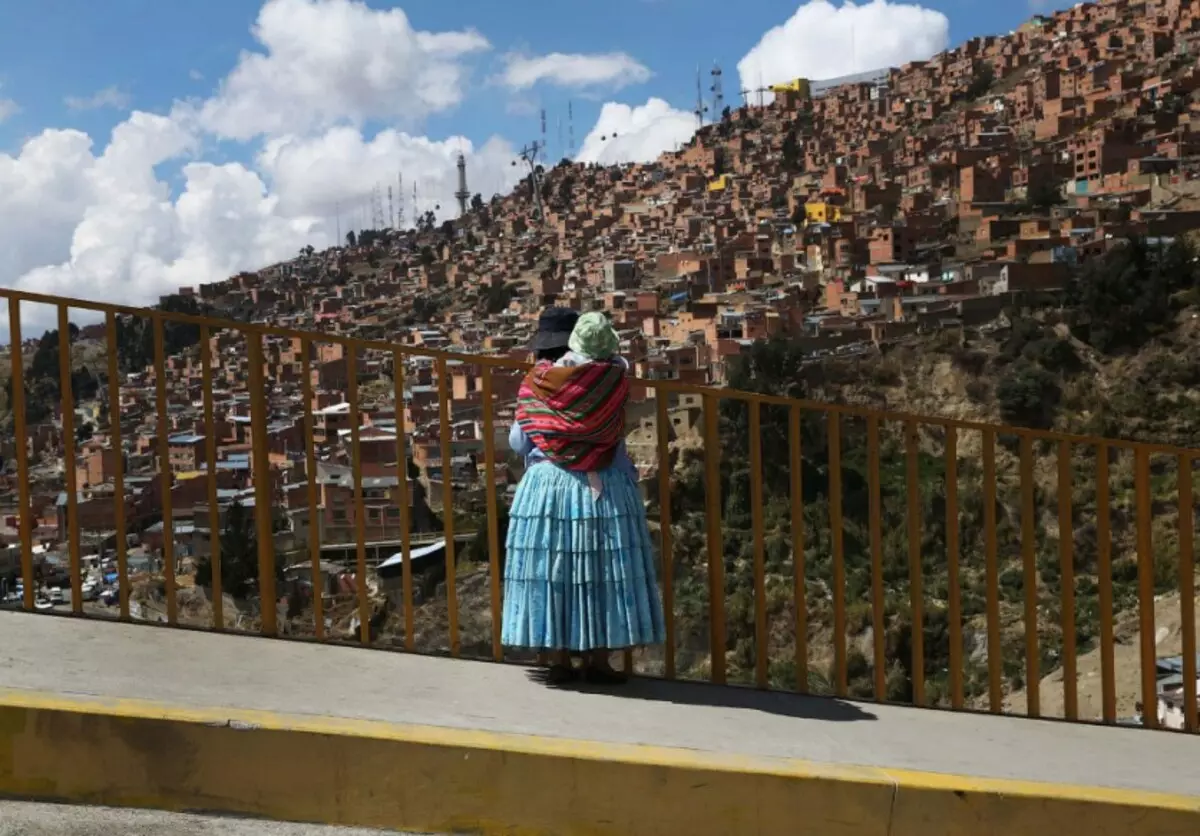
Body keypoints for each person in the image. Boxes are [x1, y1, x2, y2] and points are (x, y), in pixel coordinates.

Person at [502, 308, 666, 685]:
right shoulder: (612, 380)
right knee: (601, 575)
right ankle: (599, 661)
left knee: (552, 572)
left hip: (549, 488)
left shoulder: (537, 384)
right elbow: (617, 436)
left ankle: (557, 658)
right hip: (605, 487)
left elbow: (518, 441)